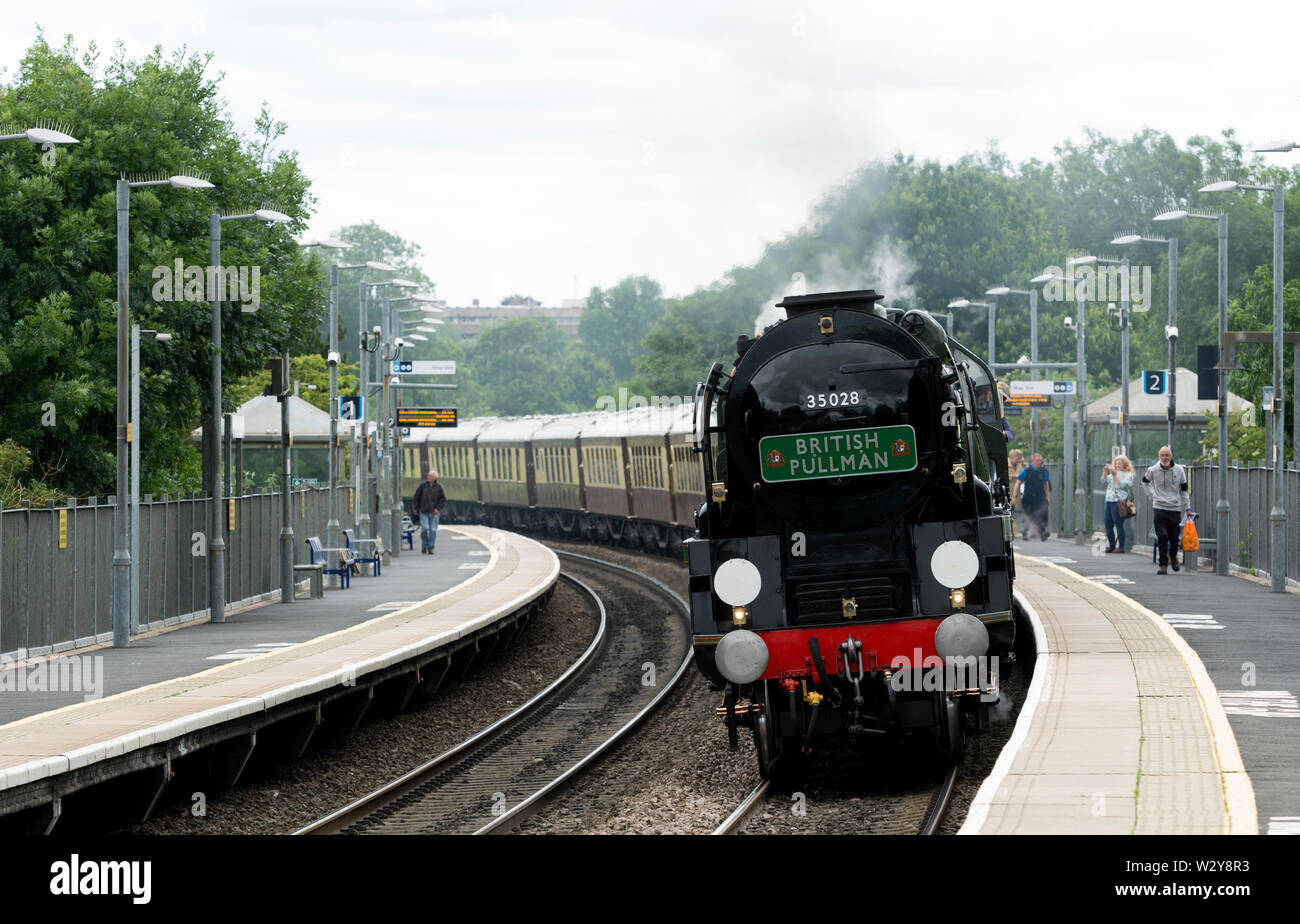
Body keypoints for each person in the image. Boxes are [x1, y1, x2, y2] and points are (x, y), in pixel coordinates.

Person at [1141, 446, 1189, 575]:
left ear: (1171, 456)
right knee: (1162, 537)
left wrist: (1187, 507)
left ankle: (1173, 557)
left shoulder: (1179, 470)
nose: (1164, 458)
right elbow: (1144, 482)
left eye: (1167, 455)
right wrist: (1151, 496)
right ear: (1159, 456)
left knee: (1174, 538)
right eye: (1162, 455)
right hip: (1159, 507)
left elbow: (1184, 490)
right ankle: (1163, 564)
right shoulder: (1153, 470)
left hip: (1174, 508)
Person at [1101, 454, 1135, 553]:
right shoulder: (1112, 474)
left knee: (1119, 524)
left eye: (1119, 463)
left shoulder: (1128, 475)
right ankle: (1111, 545)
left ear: (1125, 464)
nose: (1117, 465)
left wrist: (1116, 476)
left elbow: (1123, 486)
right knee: (1108, 524)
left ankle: (1121, 547)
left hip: (1119, 501)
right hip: (1109, 500)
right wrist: (1105, 471)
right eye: (1116, 463)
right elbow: (1103, 481)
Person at [1016, 452, 1051, 541]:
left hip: (1040, 497)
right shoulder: (1026, 471)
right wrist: (1014, 495)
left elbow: (1046, 484)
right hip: (1028, 497)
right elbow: (1018, 482)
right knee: (1027, 515)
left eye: (1040, 460)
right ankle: (1025, 533)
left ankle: (1043, 533)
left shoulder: (1043, 471)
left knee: (1042, 514)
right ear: (1033, 461)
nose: (1039, 462)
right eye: (1037, 460)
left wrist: (1047, 496)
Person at [412, 469, 448, 555]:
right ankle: (424, 545)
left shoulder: (439, 487)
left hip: (434, 512)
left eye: (430, 476)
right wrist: (415, 507)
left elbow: (444, 500)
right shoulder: (423, 486)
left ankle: (431, 547)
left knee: (433, 530)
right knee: (425, 529)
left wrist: (437, 509)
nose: (428, 477)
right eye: (428, 475)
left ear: (435, 478)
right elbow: (416, 496)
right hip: (423, 511)